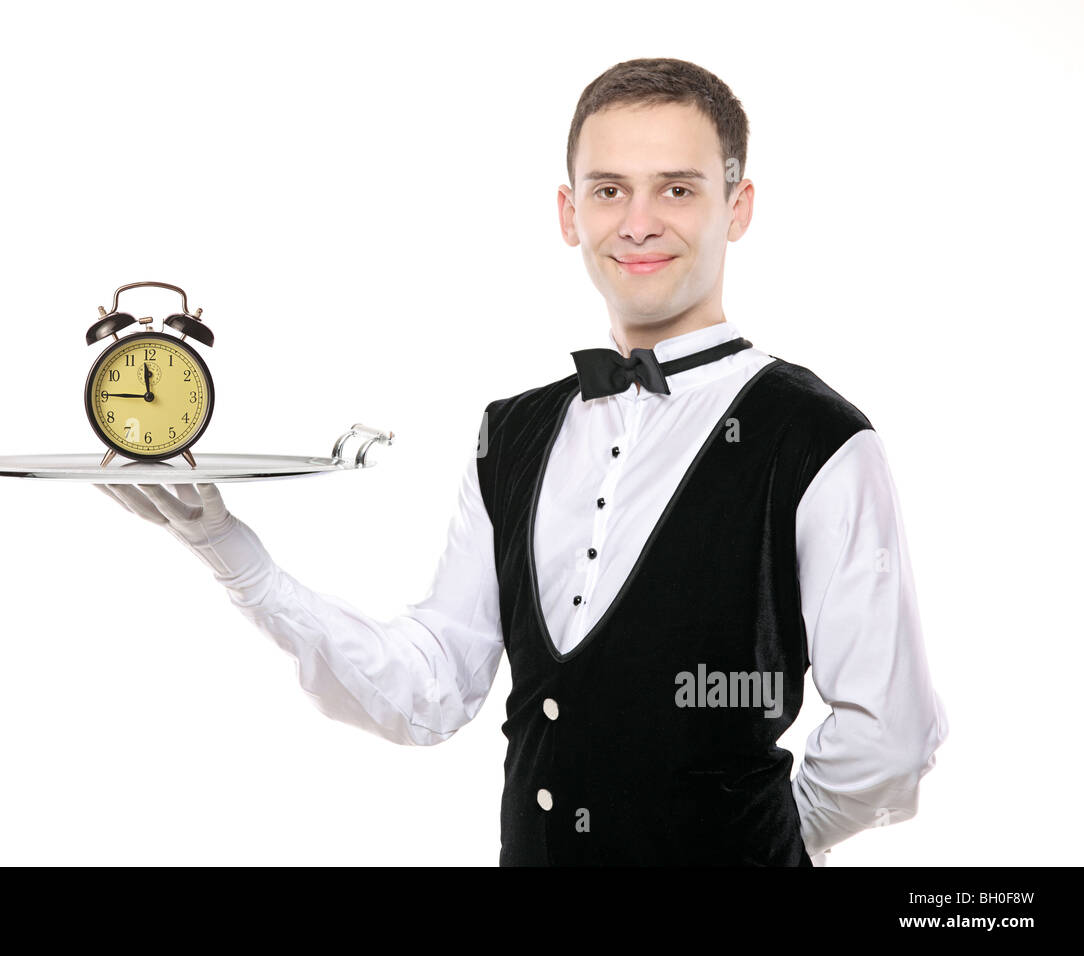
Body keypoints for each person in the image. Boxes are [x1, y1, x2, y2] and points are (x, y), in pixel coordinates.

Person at [95, 57, 948, 867]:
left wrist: (763, 841)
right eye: (610, 189)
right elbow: (431, 689)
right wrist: (234, 556)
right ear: (570, 212)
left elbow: (891, 737)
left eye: (677, 189)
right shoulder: (510, 434)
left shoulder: (820, 438)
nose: (640, 221)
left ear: (738, 206)